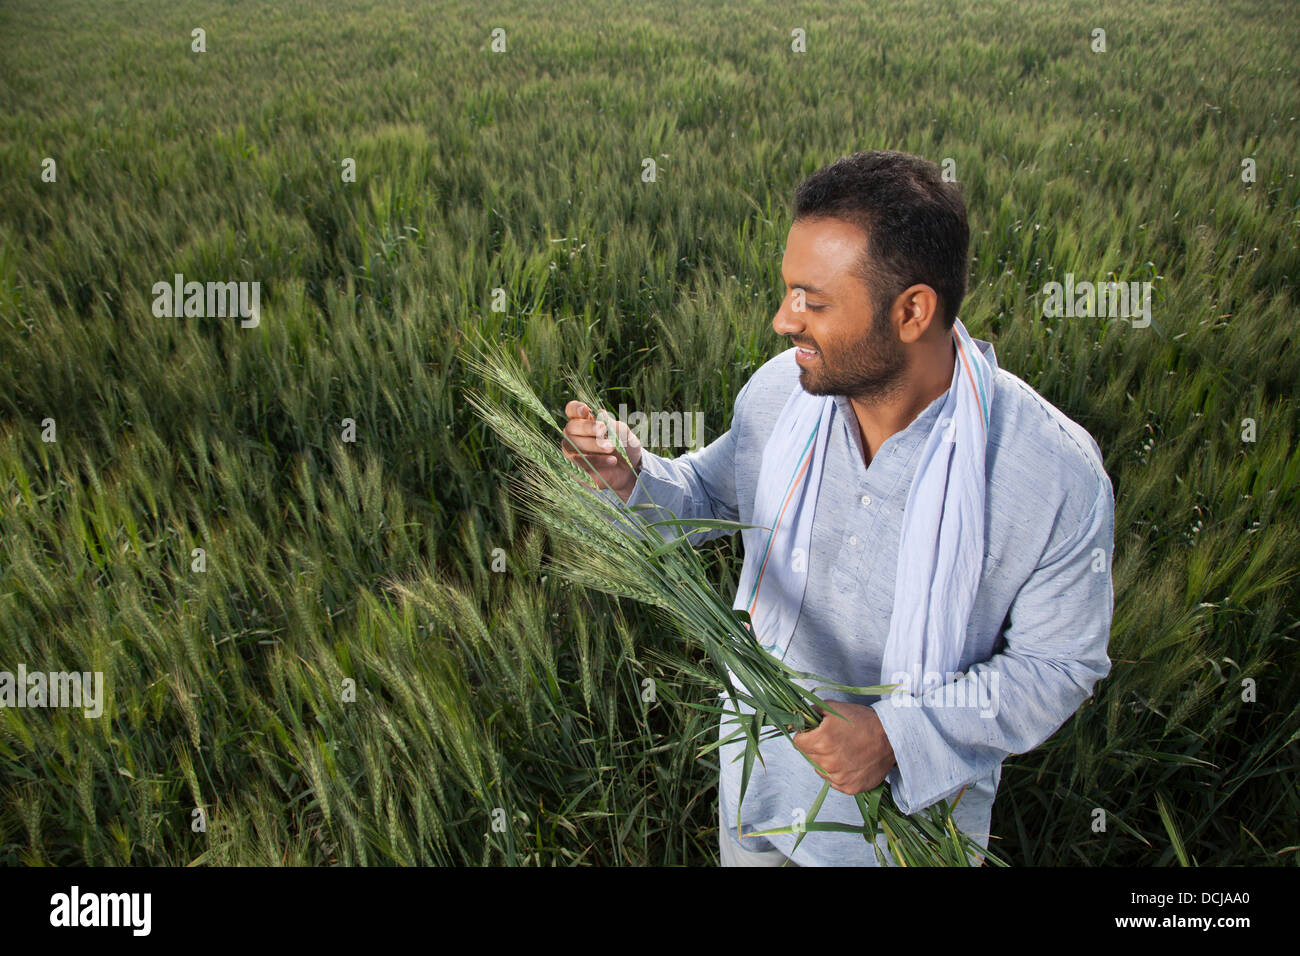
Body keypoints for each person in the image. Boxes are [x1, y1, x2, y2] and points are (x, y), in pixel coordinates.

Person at [561, 149, 1115, 867]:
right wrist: (631, 476)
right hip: (756, 799)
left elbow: (1059, 663)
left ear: (912, 310)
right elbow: (707, 495)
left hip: (910, 836)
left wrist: (896, 736)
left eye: (811, 301)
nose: (781, 321)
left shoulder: (1052, 474)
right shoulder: (781, 394)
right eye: (789, 292)